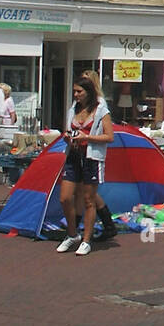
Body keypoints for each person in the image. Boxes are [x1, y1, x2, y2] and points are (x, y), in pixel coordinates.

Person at [56, 74, 115, 255]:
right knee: (65, 197)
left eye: (79, 91)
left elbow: (109, 136)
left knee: (89, 199)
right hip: (73, 156)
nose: (76, 95)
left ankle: (87, 239)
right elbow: (68, 129)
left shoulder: (100, 110)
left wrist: (87, 137)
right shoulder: (73, 110)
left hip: (91, 157)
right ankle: (72, 234)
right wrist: (68, 137)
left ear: (88, 92)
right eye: (74, 91)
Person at [80, 70, 118, 242]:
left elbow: (108, 133)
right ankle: (104, 223)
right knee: (84, 191)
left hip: (92, 152)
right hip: (79, 152)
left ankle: (107, 223)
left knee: (89, 192)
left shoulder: (99, 104)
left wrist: (88, 137)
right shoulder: (79, 105)